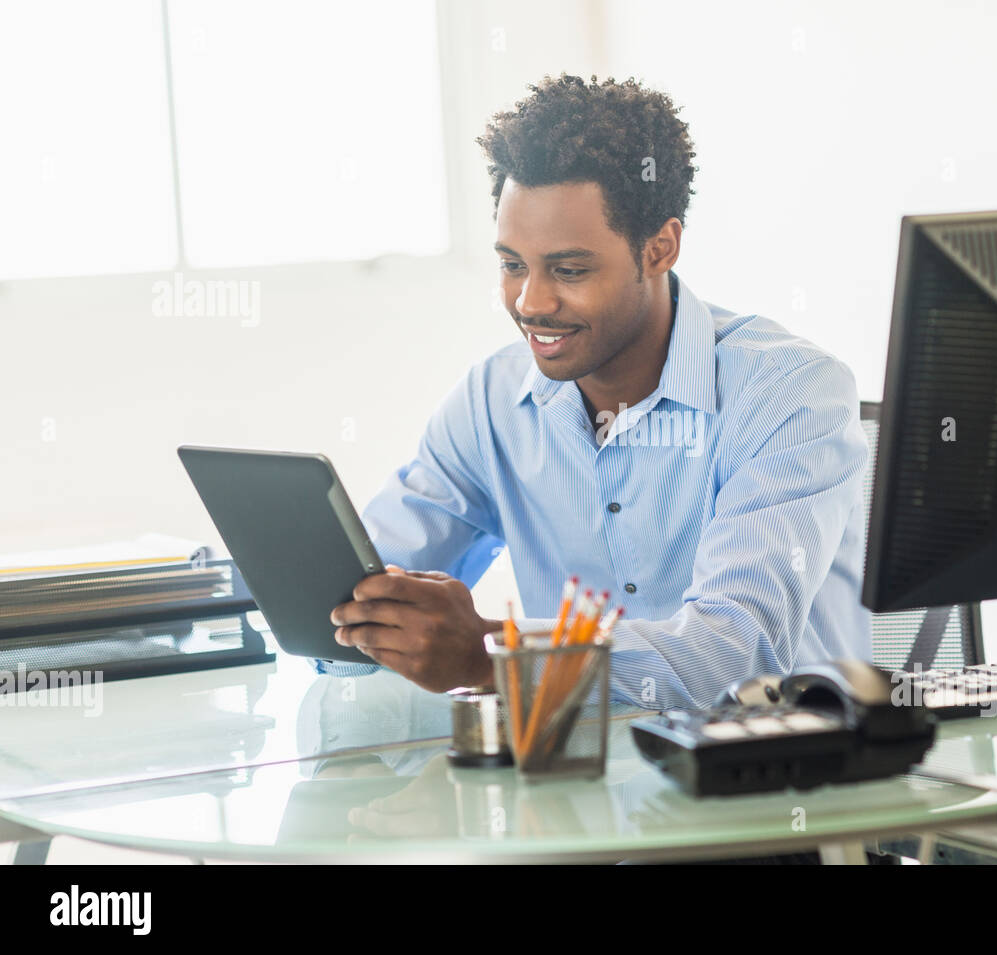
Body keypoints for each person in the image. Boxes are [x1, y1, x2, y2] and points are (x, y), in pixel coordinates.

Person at [324, 74, 872, 710]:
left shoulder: (791, 394)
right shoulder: (493, 399)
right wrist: (354, 613)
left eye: (570, 270)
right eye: (511, 265)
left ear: (660, 248)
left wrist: (492, 655)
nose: (531, 302)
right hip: (579, 781)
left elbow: (732, 656)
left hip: (784, 780)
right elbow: (356, 593)